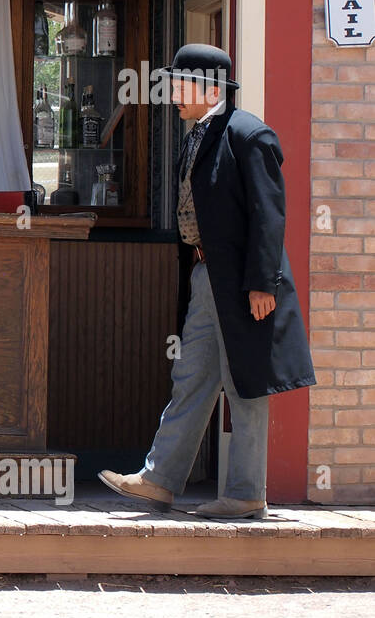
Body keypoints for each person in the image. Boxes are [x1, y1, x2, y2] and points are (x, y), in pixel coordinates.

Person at [99, 43, 315, 519]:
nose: (173, 94)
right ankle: (160, 479)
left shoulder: (249, 134)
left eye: (180, 85)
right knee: (191, 375)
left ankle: (244, 493)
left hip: (242, 282)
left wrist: (263, 283)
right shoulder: (199, 132)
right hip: (205, 275)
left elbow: (268, 215)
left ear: (209, 88)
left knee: (246, 384)